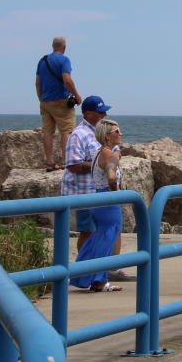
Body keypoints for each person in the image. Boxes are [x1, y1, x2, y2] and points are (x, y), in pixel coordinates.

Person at [69, 118, 123, 292]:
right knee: (106, 239)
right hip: (108, 199)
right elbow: (112, 177)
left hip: (99, 198)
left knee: (98, 239)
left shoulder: (100, 152)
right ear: (107, 136)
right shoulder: (108, 154)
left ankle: (84, 276)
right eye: (116, 131)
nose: (120, 134)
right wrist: (116, 191)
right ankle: (99, 280)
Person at [62, 95, 111, 253]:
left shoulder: (100, 133)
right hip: (84, 193)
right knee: (88, 232)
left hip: (98, 192)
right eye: (100, 112)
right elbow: (74, 165)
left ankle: (99, 269)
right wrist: (101, 164)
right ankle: (84, 270)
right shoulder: (78, 135)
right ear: (88, 113)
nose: (105, 115)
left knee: (102, 230)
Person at [35, 36, 83, 171]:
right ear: (64, 47)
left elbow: (37, 83)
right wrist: (77, 95)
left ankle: (49, 161)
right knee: (66, 130)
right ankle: (65, 161)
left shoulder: (42, 61)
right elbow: (67, 79)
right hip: (61, 100)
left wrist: (41, 98)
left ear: (52, 46)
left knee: (47, 131)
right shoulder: (64, 60)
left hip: (45, 101)